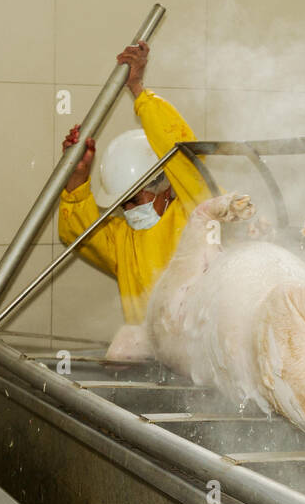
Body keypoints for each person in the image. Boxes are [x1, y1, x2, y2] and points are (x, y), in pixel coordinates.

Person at [59, 41, 209, 337]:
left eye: (135, 199)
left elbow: (180, 152)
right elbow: (76, 229)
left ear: (165, 186)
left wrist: (138, 91)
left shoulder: (197, 214)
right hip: (153, 366)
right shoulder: (124, 241)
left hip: (206, 362)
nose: (130, 211)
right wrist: (77, 176)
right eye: (123, 205)